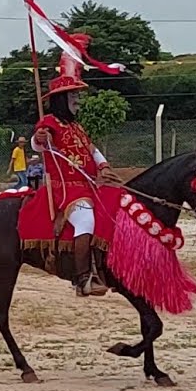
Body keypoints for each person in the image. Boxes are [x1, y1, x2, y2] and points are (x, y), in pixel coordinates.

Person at [32, 70, 120, 297]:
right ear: (61, 99)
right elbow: (38, 142)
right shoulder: (49, 122)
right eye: (72, 96)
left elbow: (92, 149)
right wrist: (39, 139)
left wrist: (104, 166)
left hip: (88, 184)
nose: (77, 100)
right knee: (86, 220)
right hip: (66, 188)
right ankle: (82, 278)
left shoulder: (77, 126)